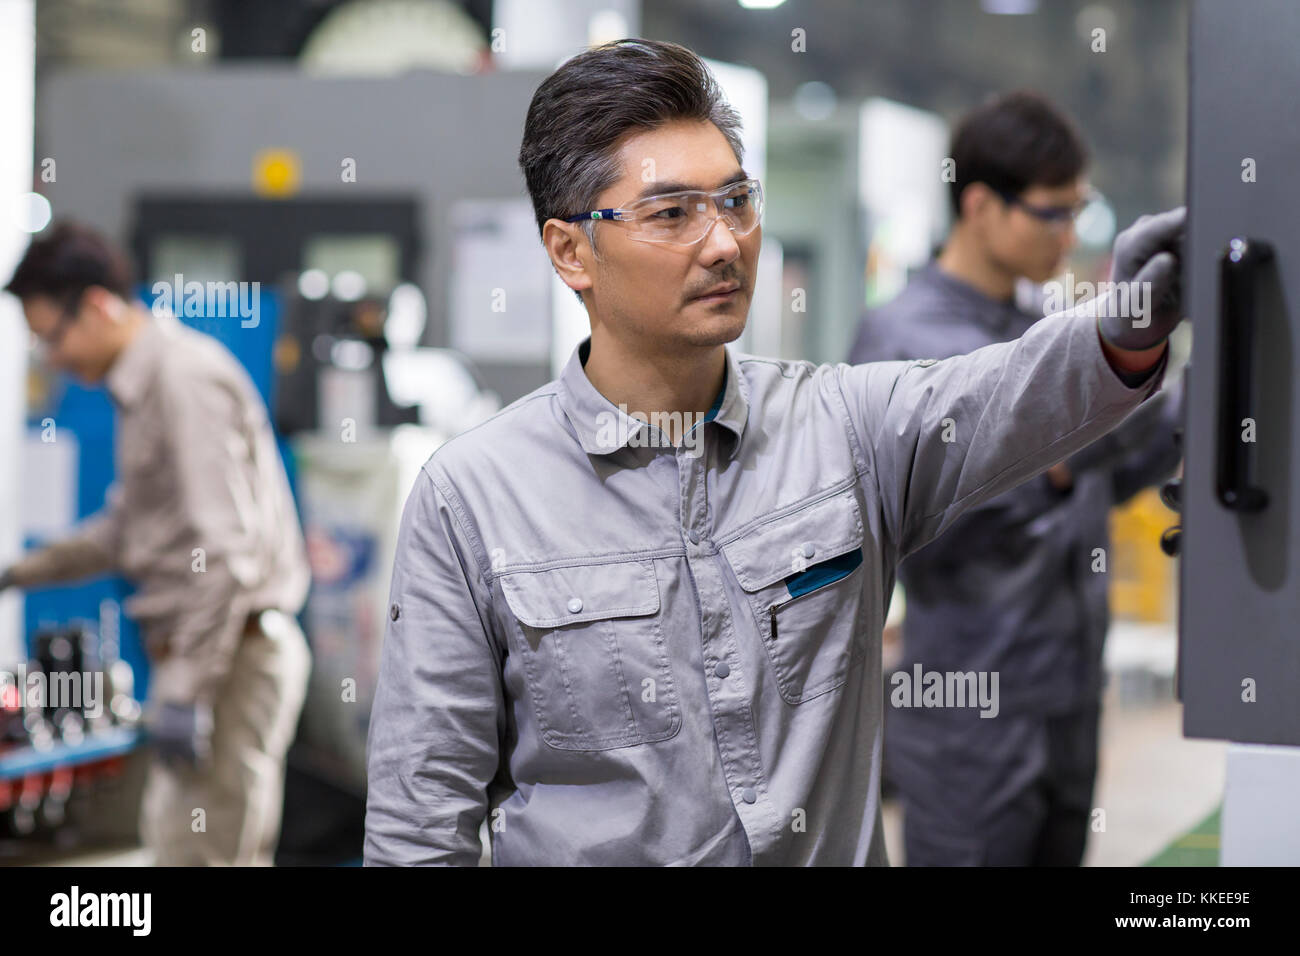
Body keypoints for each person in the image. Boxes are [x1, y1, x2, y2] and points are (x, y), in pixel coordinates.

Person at [363, 39, 1183, 866]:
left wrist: (1132, 321)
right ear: (571, 251)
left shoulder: (844, 430)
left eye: (736, 201)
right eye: (673, 212)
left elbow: (1007, 392)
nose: (724, 243)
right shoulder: (472, 498)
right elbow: (422, 820)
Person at [848, 91, 1183, 865]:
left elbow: (1102, 473)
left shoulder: (1043, 327)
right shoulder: (905, 338)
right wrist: (1081, 434)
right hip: (972, 708)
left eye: (1079, 210)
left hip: (1065, 695)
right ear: (979, 206)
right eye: (1052, 213)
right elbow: (948, 507)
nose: (1069, 233)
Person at [0, 221, 312, 865]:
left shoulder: (181, 379)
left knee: (196, 854)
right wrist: (16, 572)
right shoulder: (142, 387)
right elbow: (127, 530)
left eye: (50, 337)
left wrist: (188, 691)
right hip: (216, 656)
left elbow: (224, 553)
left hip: (231, 658)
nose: (51, 358)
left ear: (96, 304)